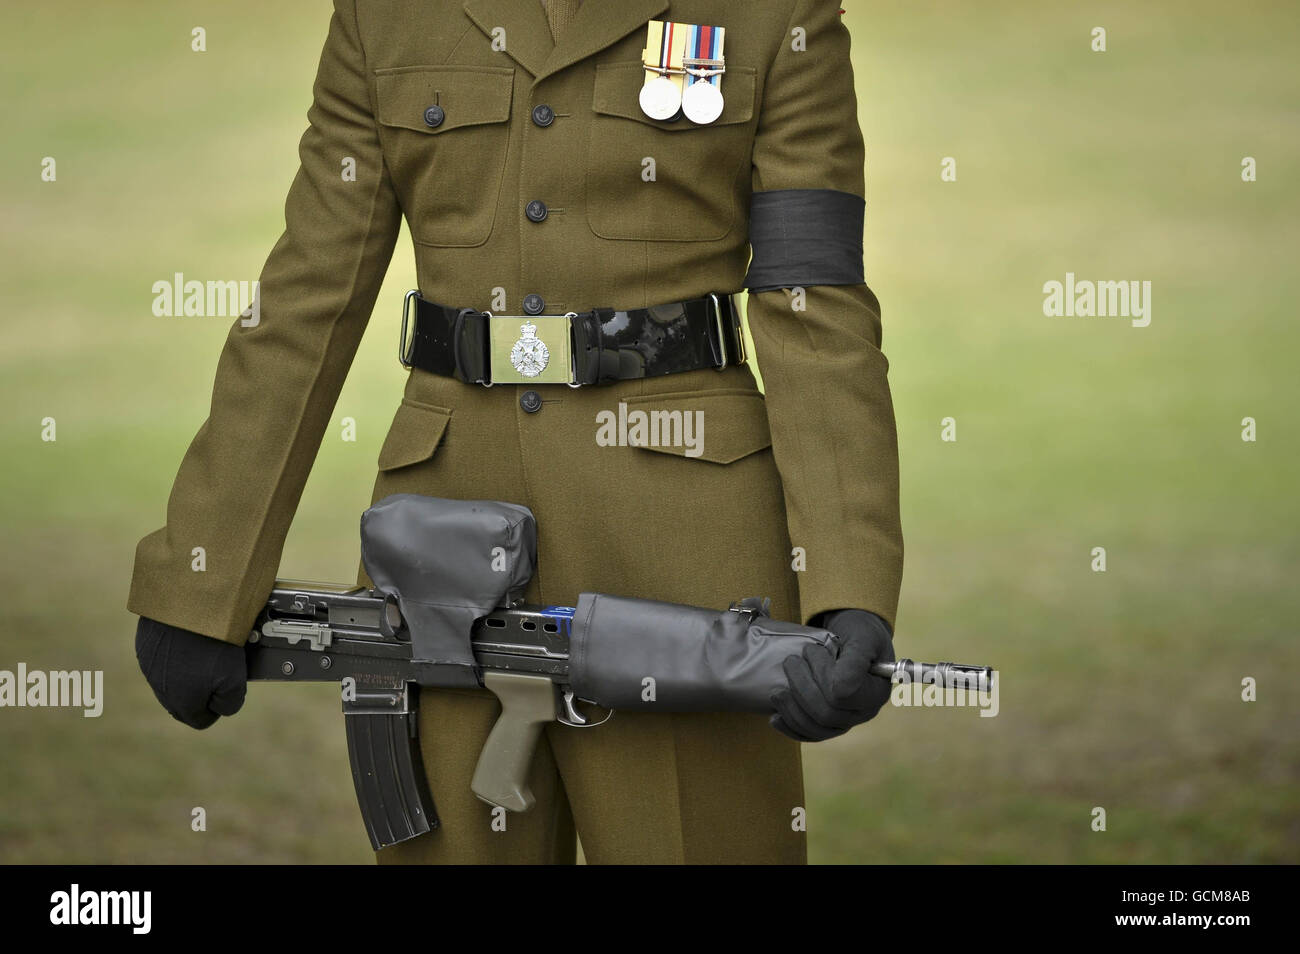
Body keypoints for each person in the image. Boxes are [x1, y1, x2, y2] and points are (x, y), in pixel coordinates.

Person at [130, 0, 903, 864]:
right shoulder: (381, 16)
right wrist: (202, 577)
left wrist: (850, 587)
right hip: (439, 557)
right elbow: (310, 295)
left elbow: (814, 303)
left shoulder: (774, 13)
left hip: (689, 569)